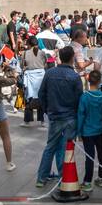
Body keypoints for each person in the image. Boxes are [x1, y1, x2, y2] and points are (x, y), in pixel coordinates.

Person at [35, 46, 82, 187]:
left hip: (54, 115)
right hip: (70, 116)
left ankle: (41, 177)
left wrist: (47, 109)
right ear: (72, 57)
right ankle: (64, 175)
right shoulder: (75, 77)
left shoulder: (50, 73)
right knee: (66, 147)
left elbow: (41, 94)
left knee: (50, 146)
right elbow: (80, 99)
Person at [77, 68, 102, 189]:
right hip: (100, 130)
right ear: (100, 81)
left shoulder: (85, 97)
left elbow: (81, 115)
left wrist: (78, 131)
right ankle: (101, 177)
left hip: (87, 131)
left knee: (89, 156)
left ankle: (87, 181)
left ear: (88, 80)